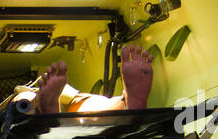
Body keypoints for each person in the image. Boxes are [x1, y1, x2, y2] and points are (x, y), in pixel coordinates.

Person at [14, 43, 154, 115]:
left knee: (27, 98)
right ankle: (126, 105)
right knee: (24, 100)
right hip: (43, 97)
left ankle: (47, 113)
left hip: (58, 98)